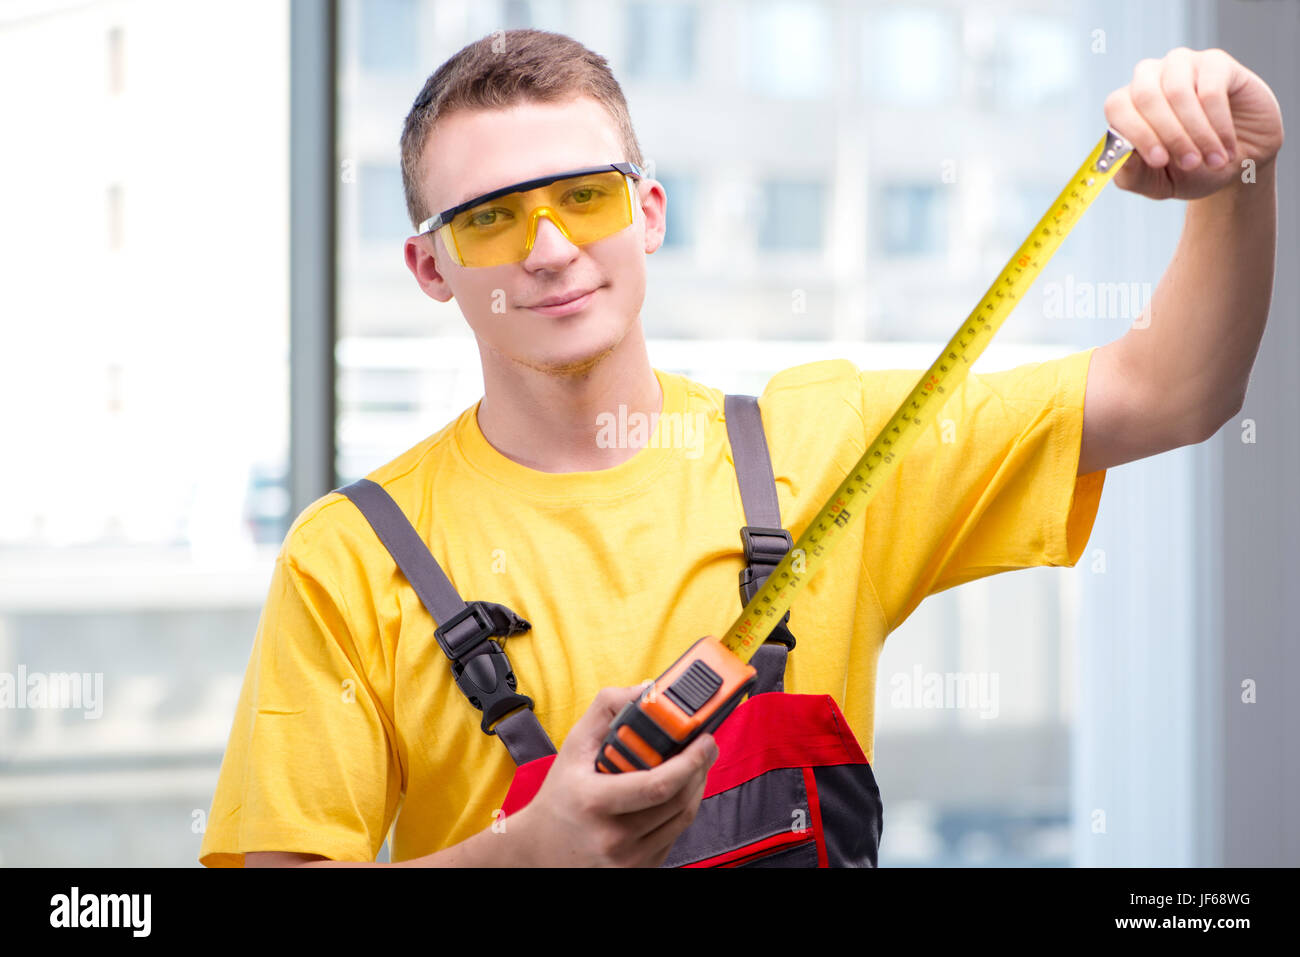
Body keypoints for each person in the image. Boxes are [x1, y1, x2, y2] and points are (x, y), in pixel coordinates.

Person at [199, 31, 1281, 867]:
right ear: (430, 268)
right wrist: (524, 854)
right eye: (490, 220)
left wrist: (1236, 179)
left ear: (650, 213)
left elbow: (1175, 391)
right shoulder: (350, 558)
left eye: (585, 198)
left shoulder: (828, 445)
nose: (550, 249)